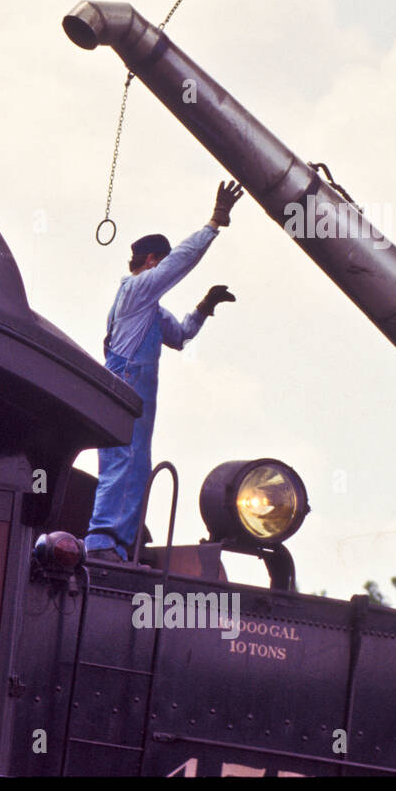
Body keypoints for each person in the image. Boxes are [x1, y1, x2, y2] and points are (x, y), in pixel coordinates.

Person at [85, 181, 244, 563]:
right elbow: (179, 265)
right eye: (163, 263)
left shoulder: (151, 311)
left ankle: (119, 545)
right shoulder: (136, 290)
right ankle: (102, 541)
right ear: (152, 261)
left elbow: (181, 335)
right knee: (122, 461)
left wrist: (205, 306)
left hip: (136, 389)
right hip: (126, 382)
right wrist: (214, 224)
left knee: (136, 465)